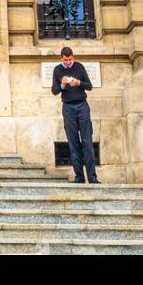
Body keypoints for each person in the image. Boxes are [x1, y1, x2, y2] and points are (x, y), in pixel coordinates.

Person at [51, 45, 99, 184]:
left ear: (73, 57)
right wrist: (62, 85)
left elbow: (89, 86)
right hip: (68, 108)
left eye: (70, 59)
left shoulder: (79, 67)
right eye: (65, 60)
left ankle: (92, 177)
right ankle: (79, 177)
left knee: (87, 141)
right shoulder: (57, 70)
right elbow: (54, 91)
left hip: (82, 106)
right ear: (61, 58)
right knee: (73, 142)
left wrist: (79, 83)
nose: (68, 62)